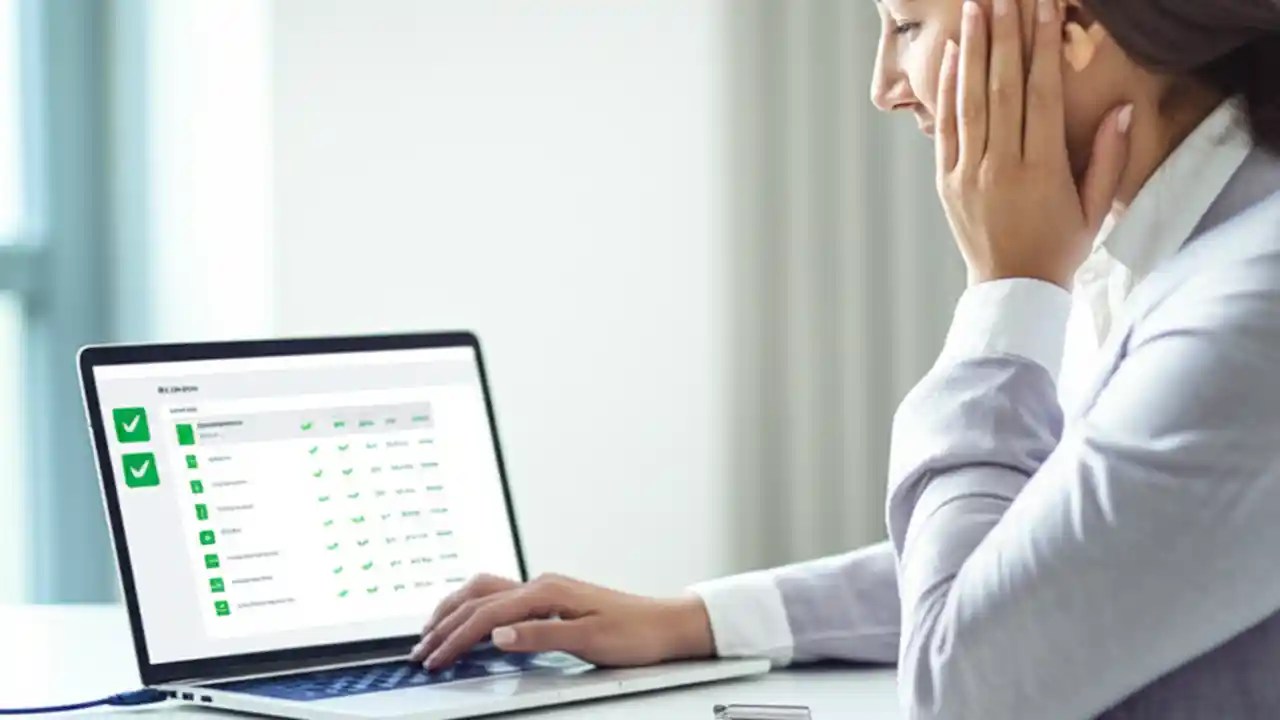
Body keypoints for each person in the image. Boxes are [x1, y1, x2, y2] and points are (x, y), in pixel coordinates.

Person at [410, 0, 1280, 716]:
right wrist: (696, 620)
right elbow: (1061, 558)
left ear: (1067, 30)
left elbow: (965, 685)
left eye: (905, 28)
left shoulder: (1247, 309)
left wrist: (1006, 292)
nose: (883, 88)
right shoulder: (1198, 255)